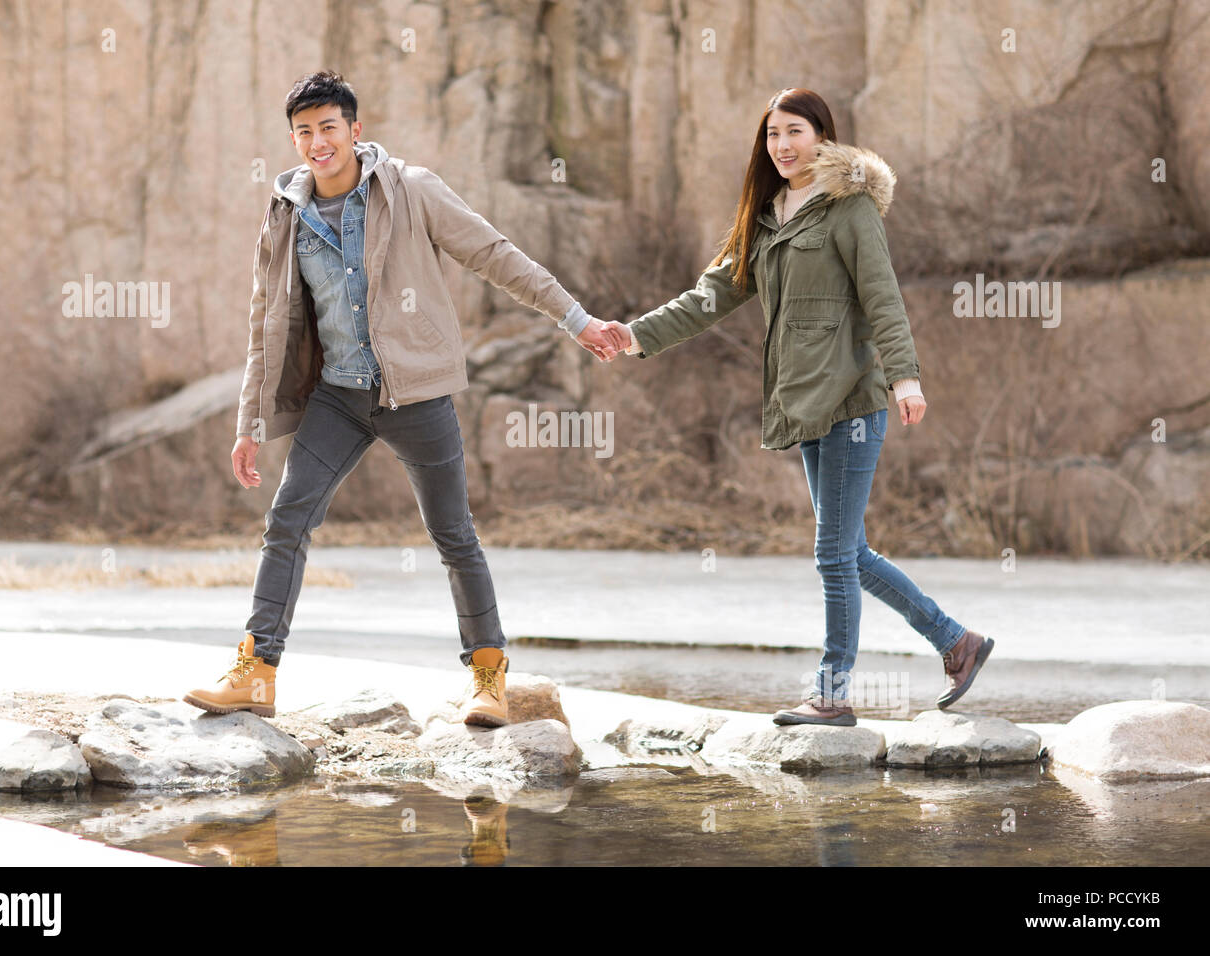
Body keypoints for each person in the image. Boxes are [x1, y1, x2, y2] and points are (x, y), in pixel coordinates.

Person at [184, 71, 624, 727]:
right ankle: (257, 672)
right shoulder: (285, 214)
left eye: (328, 127)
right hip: (337, 396)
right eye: (304, 132)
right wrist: (250, 421)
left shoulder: (411, 191)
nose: (317, 142)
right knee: (287, 521)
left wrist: (576, 319)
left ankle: (487, 679)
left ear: (355, 130)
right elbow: (265, 325)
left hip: (415, 394)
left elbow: (495, 254)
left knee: (452, 535)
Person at [603, 88, 993, 726]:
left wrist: (906, 379)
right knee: (849, 551)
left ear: (823, 136)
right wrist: (636, 334)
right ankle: (957, 643)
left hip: (853, 401)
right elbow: (708, 298)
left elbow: (883, 298)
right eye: (772, 135)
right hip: (803, 403)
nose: (782, 146)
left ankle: (833, 694)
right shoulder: (764, 216)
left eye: (795, 132)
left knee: (833, 553)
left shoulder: (849, 208)